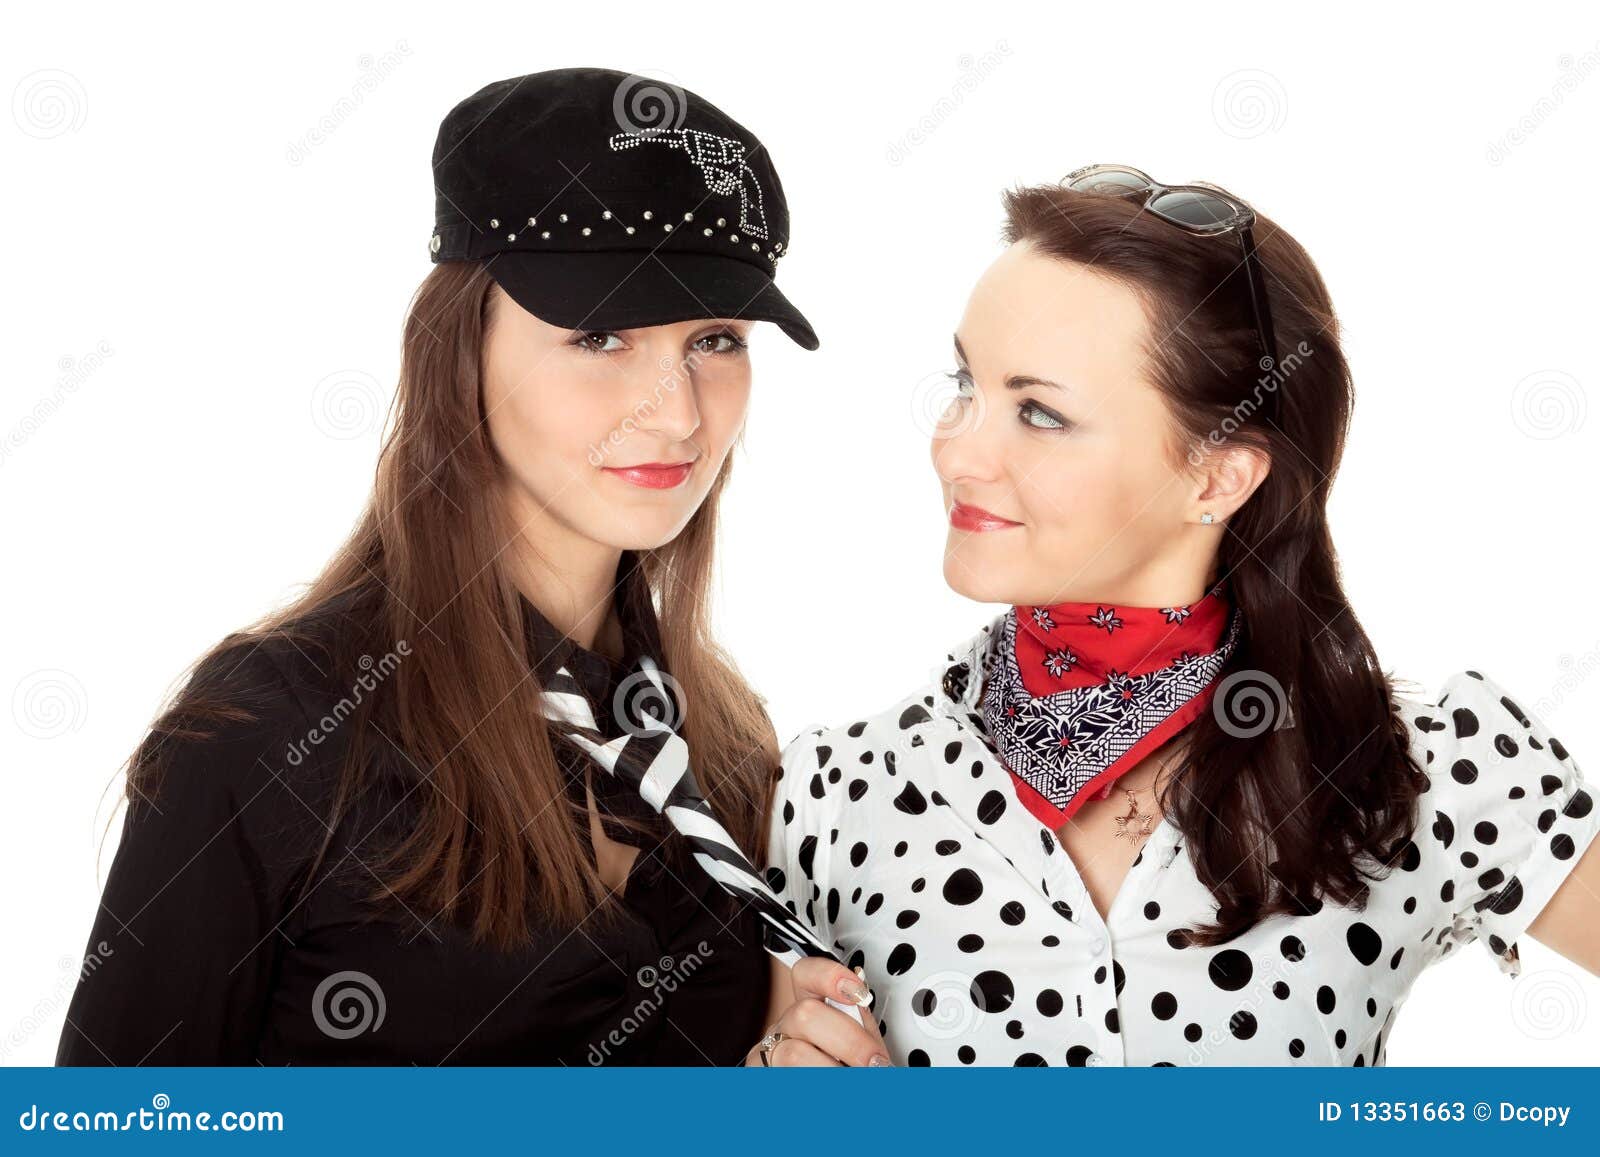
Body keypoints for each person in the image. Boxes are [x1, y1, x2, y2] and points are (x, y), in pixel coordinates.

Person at [752, 165, 1600, 1067]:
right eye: (969, 384)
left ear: (1216, 476)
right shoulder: (833, 797)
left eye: (1038, 412)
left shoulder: (1418, 767)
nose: (955, 447)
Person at [56, 66, 819, 1065]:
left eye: (714, 338)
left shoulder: (718, 738)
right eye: (601, 335)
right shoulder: (272, 727)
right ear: (457, 357)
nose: (677, 411)